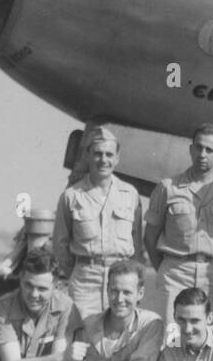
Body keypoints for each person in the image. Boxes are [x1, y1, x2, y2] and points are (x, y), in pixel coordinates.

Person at [143, 124, 213, 332]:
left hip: (212, 274)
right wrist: (166, 268)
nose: (202, 154)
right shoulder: (167, 188)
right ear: (190, 149)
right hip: (175, 273)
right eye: (198, 147)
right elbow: (150, 236)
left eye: (210, 150)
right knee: (172, 337)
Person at [53, 125, 145, 319]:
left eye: (109, 155)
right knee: (82, 339)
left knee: (120, 342)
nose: (103, 160)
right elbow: (60, 245)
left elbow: (136, 244)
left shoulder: (130, 194)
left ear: (117, 158)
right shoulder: (71, 196)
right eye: (98, 154)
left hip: (122, 281)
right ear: (88, 156)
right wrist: (80, 270)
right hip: (85, 281)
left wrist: (132, 281)